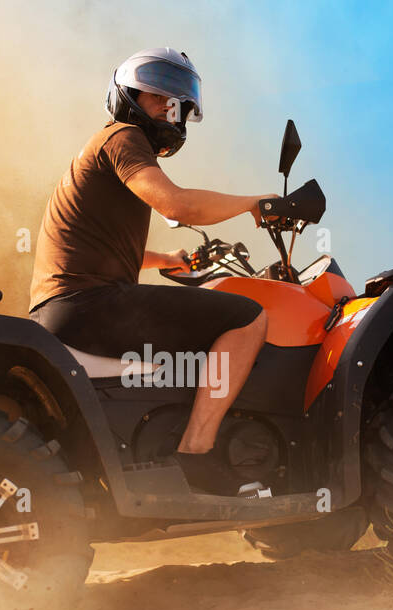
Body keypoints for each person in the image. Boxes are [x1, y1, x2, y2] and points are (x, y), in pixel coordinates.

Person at [28, 48, 277, 496]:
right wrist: (254, 204)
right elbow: (177, 205)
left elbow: (100, 246)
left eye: (177, 98)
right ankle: (196, 456)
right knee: (248, 317)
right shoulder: (122, 137)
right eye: (157, 90)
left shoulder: (107, 149)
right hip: (87, 306)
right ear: (128, 93)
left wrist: (168, 260)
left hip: (67, 305)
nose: (168, 103)